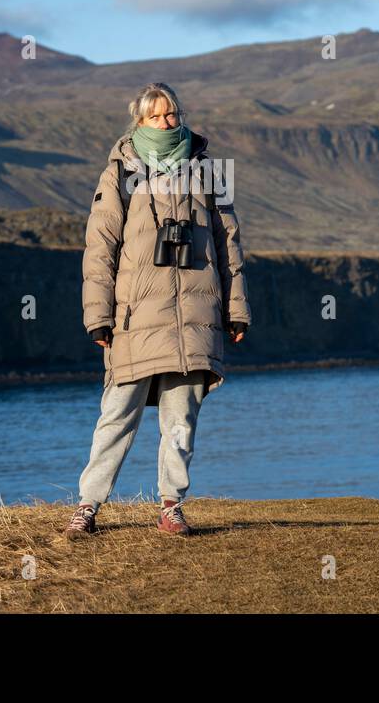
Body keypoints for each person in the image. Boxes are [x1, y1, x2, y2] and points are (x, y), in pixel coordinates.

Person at [65, 82, 250, 538]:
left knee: (181, 418)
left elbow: (229, 243)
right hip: (134, 318)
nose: (168, 123)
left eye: (173, 114)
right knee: (116, 415)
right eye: (157, 116)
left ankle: (171, 507)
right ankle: (87, 507)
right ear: (139, 121)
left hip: (195, 317)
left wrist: (236, 309)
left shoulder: (207, 172)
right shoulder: (120, 173)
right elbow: (100, 248)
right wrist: (98, 317)